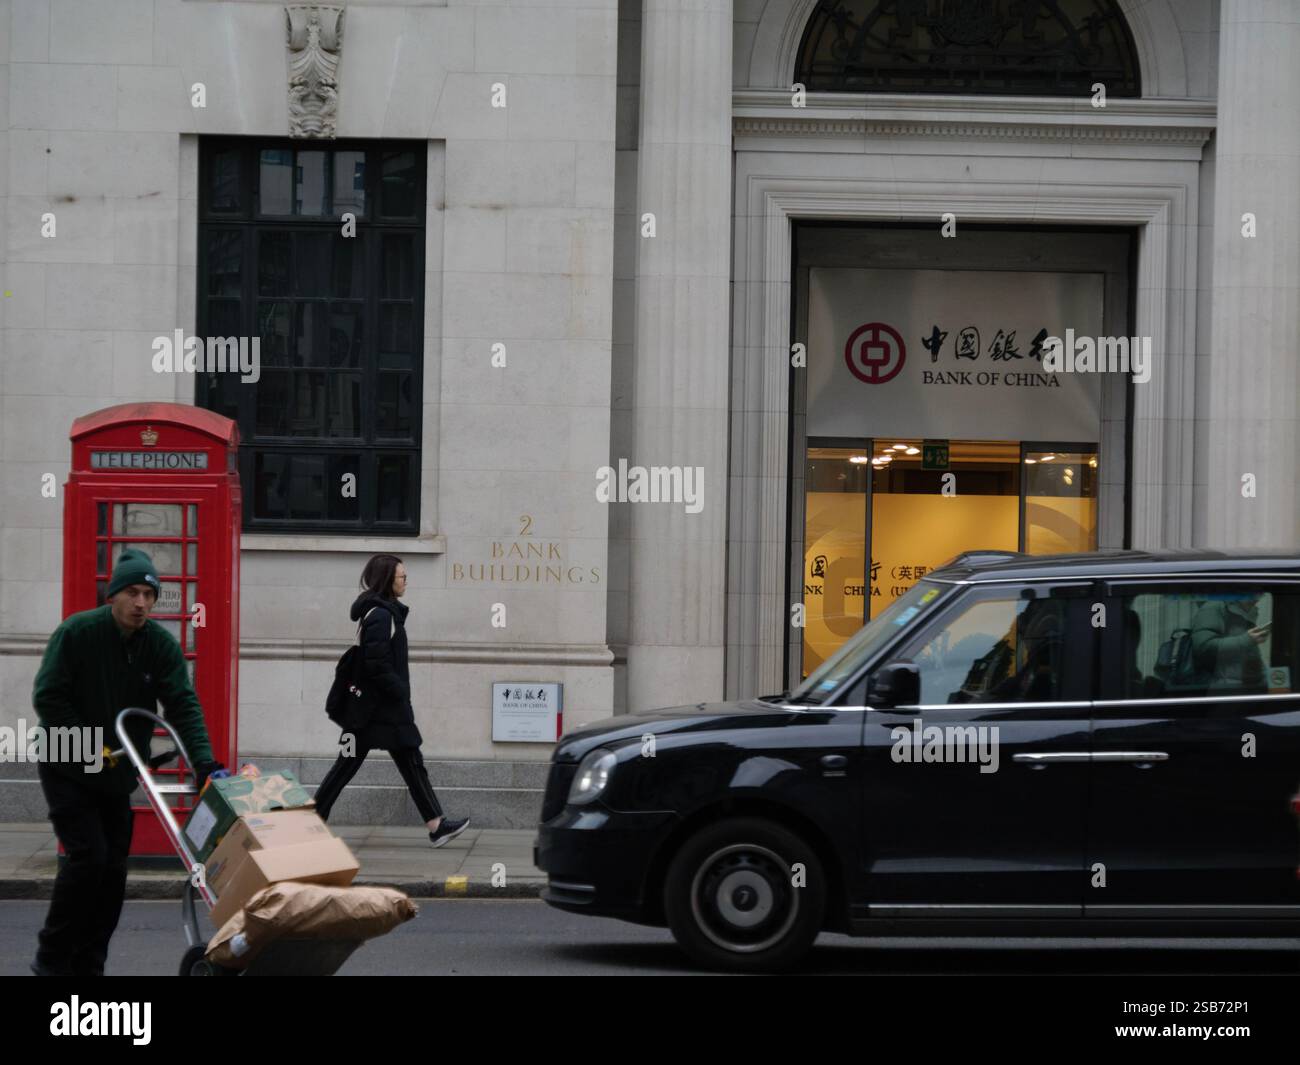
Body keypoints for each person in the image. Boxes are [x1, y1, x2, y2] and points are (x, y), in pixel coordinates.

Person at [30, 548, 227, 976]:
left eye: (149, 595)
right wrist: (87, 746)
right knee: (88, 858)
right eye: (133, 592)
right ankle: (51, 961)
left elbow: (182, 704)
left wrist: (205, 763)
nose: (141, 603)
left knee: (114, 871)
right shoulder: (77, 632)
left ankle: (89, 967)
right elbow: (48, 696)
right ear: (113, 594)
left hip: (117, 769)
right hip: (66, 760)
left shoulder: (159, 646)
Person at [313, 554, 469, 847]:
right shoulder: (381, 615)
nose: (406, 581)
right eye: (402, 577)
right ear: (387, 579)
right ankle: (436, 826)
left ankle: (436, 825)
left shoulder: (382, 612)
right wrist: (399, 690)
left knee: (402, 761)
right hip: (380, 709)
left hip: (372, 710)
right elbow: (375, 663)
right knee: (379, 762)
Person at [1190, 593, 1268, 694]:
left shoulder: (1246, 610)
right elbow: (1203, 647)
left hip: (1249, 685)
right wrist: (1246, 640)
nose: (1257, 599)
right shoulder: (1214, 607)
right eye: (1253, 594)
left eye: (1261, 595)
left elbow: (1248, 653)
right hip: (1227, 688)